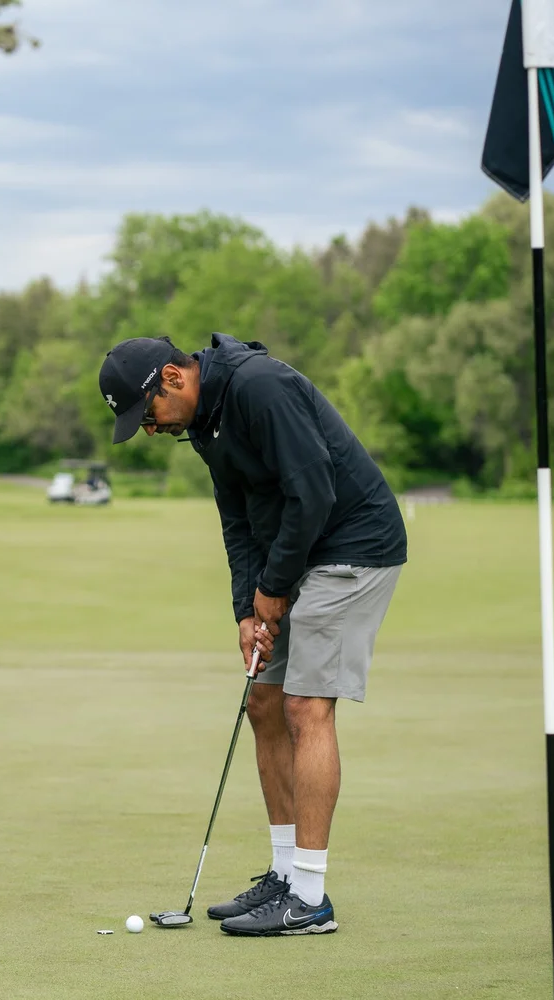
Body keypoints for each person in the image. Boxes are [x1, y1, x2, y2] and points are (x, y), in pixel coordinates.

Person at [99, 333, 406, 936]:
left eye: (149, 413)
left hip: (354, 545)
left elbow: (314, 489)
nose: (151, 429)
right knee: (263, 701)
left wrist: (276, 585)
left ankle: (310, 899)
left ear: (173, 376)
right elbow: (237, 520)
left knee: (306, 704)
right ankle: (285, 873)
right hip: (298, 556)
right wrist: (248, 609)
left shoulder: (259, 388)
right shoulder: (206, 426)